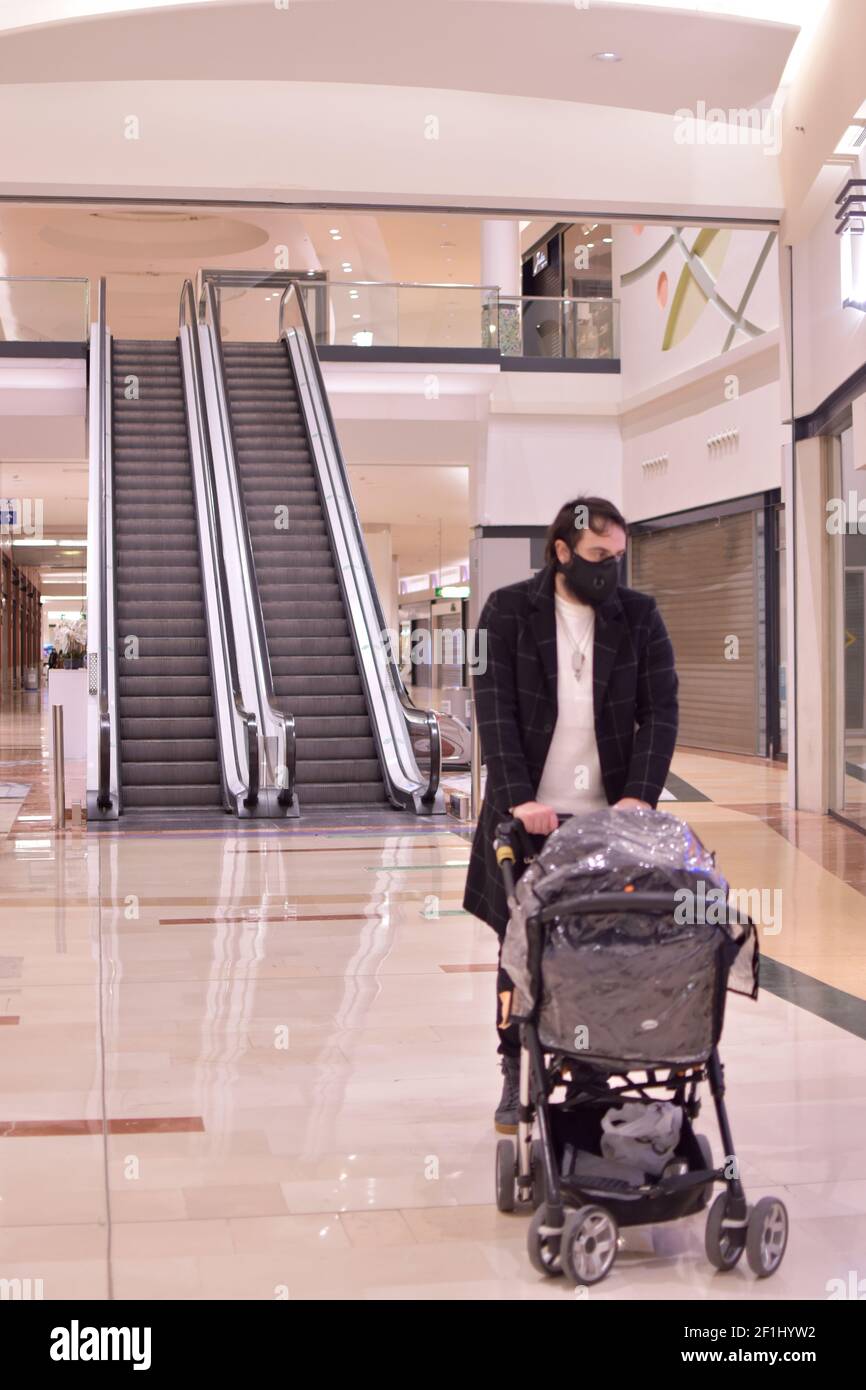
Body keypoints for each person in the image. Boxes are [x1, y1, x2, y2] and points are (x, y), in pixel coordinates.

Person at [462, 496, 679, 1132]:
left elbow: (660, 710)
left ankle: (588, 1072)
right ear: (561, 552)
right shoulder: (507, 612)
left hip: (606, 823)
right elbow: (494, 710)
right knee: (518, 952)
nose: (609, 569)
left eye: (617, 557)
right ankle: (514, 1066)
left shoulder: (639, 617)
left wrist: (640, 794)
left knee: (603, 951)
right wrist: (517, 799)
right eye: (595, 557)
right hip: (530, 818)